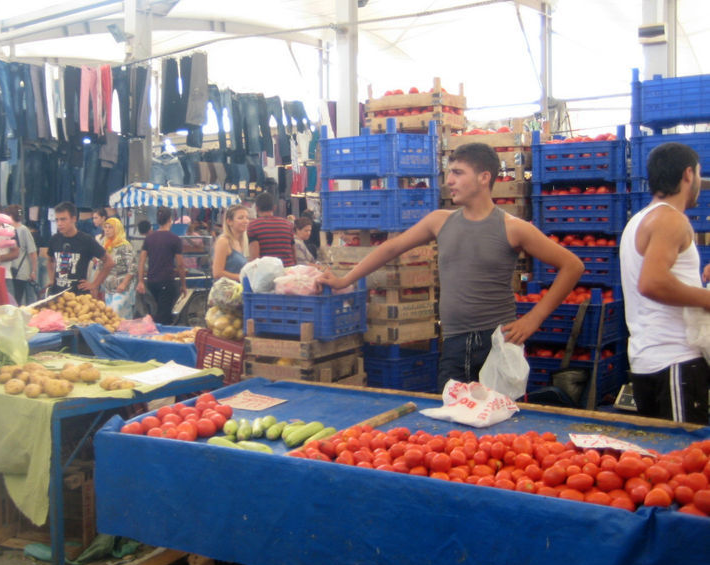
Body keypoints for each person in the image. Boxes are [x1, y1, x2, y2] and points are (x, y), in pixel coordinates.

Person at [320, 142, 583, 389]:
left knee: (498, 428)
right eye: (449, 173)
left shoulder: (513, 228)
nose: (449, 181)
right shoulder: (439, 221)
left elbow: (572, 266)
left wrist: (533, 319)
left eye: (458, 173)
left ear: (484, 177)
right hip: (455, 342)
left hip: (497, 343)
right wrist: (344, 280)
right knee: (455, 427)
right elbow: (391, 248)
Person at [620, 142, 710, 424]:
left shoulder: (640, 220)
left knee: (662, 458)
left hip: (650, 359)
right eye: (698, 174)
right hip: (675, 360)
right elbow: (653, 283)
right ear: (687, 175)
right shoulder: (671, 221)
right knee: (683, 457)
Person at [47, 201, 113, 296]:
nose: (59, 223)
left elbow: (109, 262)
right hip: (57, 294)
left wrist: (94, 284)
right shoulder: (55, 239)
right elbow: (49, 260)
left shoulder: (86, 240)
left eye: (63, 219)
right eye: (57, 220)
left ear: (74, 219)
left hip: (78, 296)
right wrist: (51, 279)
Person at [136, 206, 186, 324]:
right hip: (166, 280)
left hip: (152, 281)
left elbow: (141, 261)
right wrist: (183, 284)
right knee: (164, 316)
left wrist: (141, 281)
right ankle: (159, 336)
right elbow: (180, 265)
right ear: (170, 219)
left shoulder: (149, 239)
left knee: (155, 311)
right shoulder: (175, 239)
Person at [99, 217, 137, 318]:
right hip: (108, 288)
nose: (106, 230)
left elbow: (133, 267)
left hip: (122, 288)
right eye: (105, 227)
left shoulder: (125, 246)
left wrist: (124, 283)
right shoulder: (105, 246)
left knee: (115, 314)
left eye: (110, 227)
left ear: (117, 229)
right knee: (112, 317)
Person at [247, 192, 295, 266]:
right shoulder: (288, 225)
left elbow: (254, 259)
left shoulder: (253, 226)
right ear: (274, 207)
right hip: (288, 270)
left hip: (267, 272)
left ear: (256, 208)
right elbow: (293, 252)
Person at [4, 204, 38, 305]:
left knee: (17, 299)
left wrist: (33, 271)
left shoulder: (23, 230)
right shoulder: (8, 229)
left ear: (10, 215)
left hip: (21, 271)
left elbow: (33, 253)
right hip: (12, 271)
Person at [213, 204, 250, 281]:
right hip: (224, 291)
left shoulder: (240, 241)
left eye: (247, 218)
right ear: (229, 221)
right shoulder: (223, 241)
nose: (245, 221)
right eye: (240, 218)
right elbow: (217, 273)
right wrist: (242, 277)